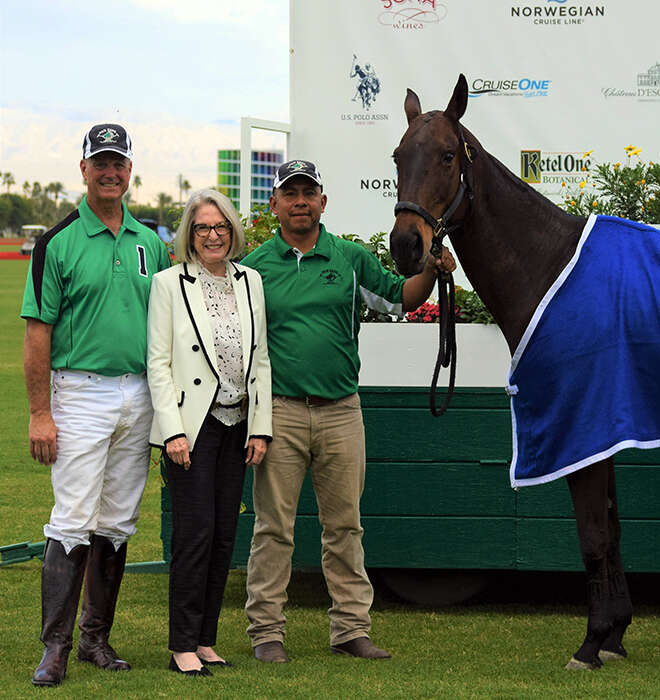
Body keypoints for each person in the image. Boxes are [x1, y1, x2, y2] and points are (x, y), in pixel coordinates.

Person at [241, 159, 455, 662]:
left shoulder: (351, 258)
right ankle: (267, 633)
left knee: (346, 526)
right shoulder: (253, 267)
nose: (299, 201)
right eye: (289, 193)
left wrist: (429, 267)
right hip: (281, 411)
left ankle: (350, 630)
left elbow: (401, 300)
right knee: (273, 528)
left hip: (341, 409)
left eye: (308, 193)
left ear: (323, 201)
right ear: (274, 204)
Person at [22, 123, 171, 687]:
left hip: (140, 393)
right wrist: (41, 413)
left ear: (130, 170)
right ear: (83, 168)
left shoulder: (150, 242)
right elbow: (38, 333)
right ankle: (54, 647)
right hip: (80, 391)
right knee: (72, 517)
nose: (111, 172)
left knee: (117, 521)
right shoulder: (57, 241)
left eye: (119, 163)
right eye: (100, 162)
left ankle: (94, 640)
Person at [146, 189, 272, 676]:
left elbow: (260, 358)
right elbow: (158, 364)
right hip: (191, 429)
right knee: (194, 535)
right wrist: (172, 432)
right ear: (189, 235)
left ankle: (206, 639)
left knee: (223, 536)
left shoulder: (250, 281)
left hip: (237, 425)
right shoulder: (168, 284)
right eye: (202, 228)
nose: (213, 235)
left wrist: (260, 426)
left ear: (233, 231)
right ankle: (181, 644)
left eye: (220, 227)